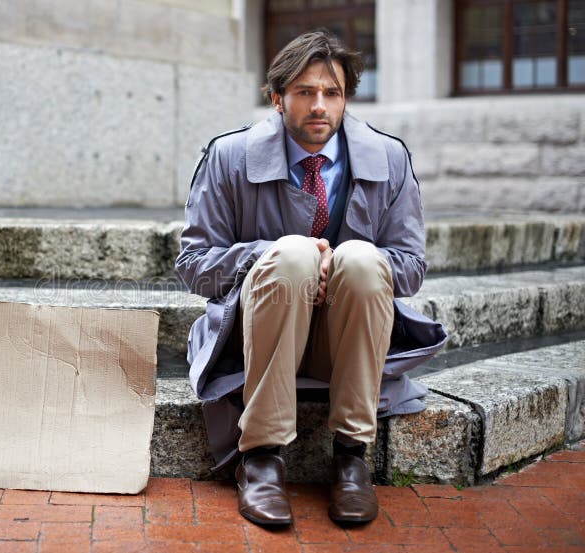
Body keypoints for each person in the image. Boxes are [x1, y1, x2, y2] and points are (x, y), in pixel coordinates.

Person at [175, 30, 447, 527]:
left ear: (346, 98)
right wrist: (272, 256)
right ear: (277, 99)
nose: (319, 105)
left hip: (344, 341)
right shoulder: (229, 157)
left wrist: (339, 264)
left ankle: (351, 459)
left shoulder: (388, 158)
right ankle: (260, 459)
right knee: (294, 254)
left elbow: (410, 267)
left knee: (365, 261)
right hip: (255, 336)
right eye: (304, 92)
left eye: (332, 93)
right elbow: (194, 263)